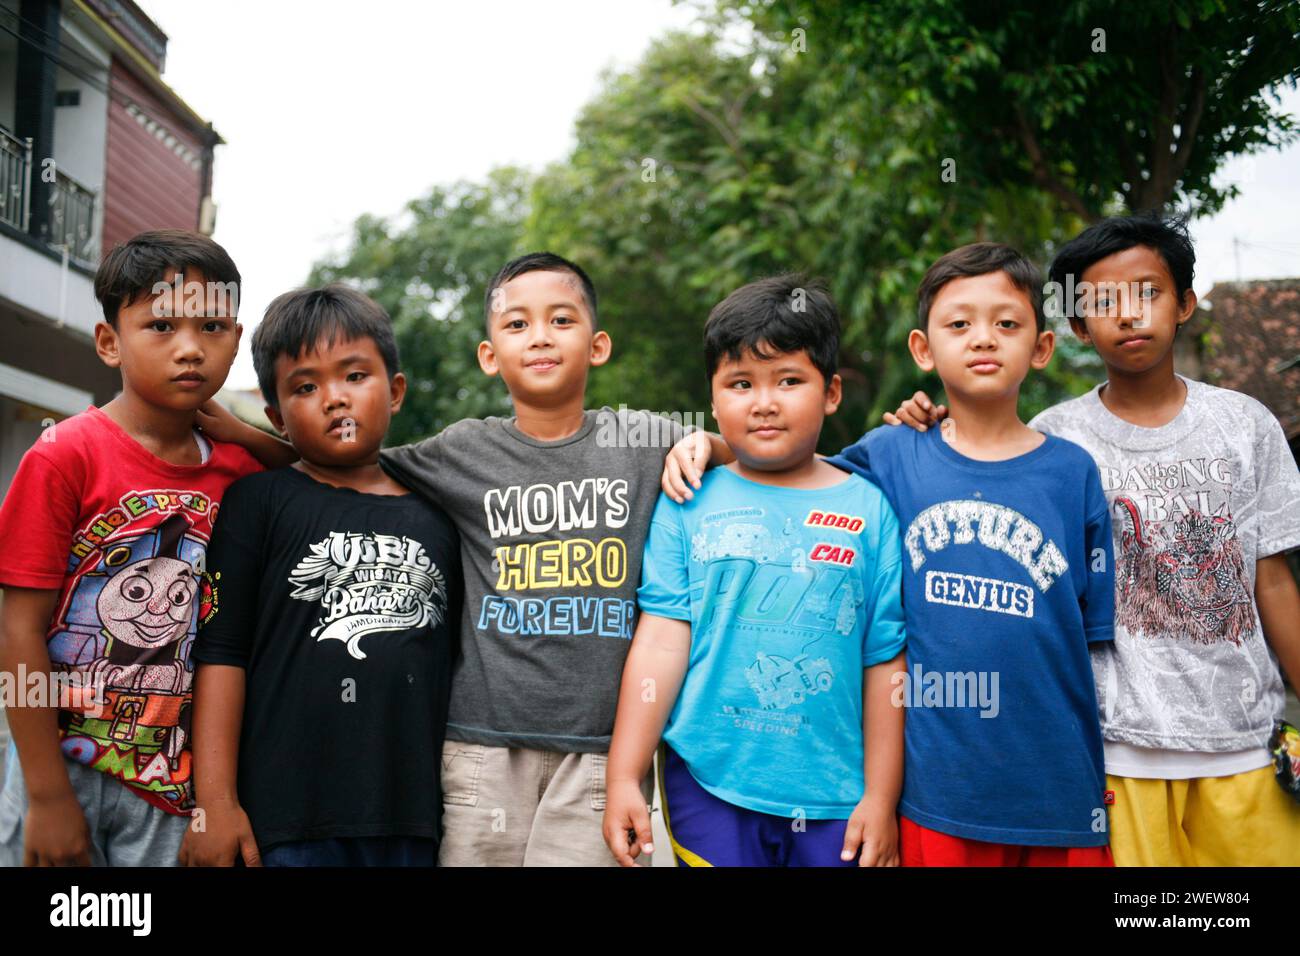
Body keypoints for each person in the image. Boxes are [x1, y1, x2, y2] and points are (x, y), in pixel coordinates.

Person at [202, 252, 727, 866]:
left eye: (561, 320)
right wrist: (243, 435)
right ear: (488, 355)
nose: (539, 337)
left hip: (600, 749)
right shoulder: (461, 452)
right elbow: (343, 461)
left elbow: (744, 448)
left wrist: (704, 442)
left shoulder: (638, 439)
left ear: (598, 345)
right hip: (480, 749)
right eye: (516, 324)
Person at [665, 244, 1116, 865]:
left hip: (1058, 786)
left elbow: (1096, 643)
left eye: (1006, 324)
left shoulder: (1073, 473)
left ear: (1042, 347)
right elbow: (791, 470)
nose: (983, 338)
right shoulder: (891, 454)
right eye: (959, 324)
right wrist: (713, 443)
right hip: (934, 790)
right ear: (923, 350)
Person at [887, 214, 1300, 865]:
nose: (1129, 315)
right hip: (1115, 754)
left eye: (1149, 293)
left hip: (1243, 741)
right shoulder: (1055, 442)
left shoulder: (1244, 425)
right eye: (1103, 303)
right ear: (1078, 328)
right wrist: (935, 422)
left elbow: (1273, 578)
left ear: (1185, 303)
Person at [604, 275, 907, 867]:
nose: (764, 402)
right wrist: (623, 777)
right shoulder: (687, 497)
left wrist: (881, 795)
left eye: (789, 381)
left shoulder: (871, 508)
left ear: (832, 392)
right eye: (740, 384)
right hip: (709, 781)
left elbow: (885, 663)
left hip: (837, 797)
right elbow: (662, 641)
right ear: (714, 402)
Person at [0, 230, 260, 866]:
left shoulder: (243, 474)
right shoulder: (64, 455)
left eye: (214, 327)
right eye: (161, 325)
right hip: (60, 766)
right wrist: (46, 794)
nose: (190, 348)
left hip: (173, 780)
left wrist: (256, 439)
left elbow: (325, 475)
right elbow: (17, 630)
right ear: (110, 342)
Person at [183, 285, 461, 867]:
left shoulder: (443, 516)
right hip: (283, 820)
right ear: (277, 415)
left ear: (397, 389)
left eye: (355, 376)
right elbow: (221, 654)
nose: (334, 399)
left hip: (411, 819)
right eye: (305, 387)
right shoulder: (257, 503)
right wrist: (215, 802)